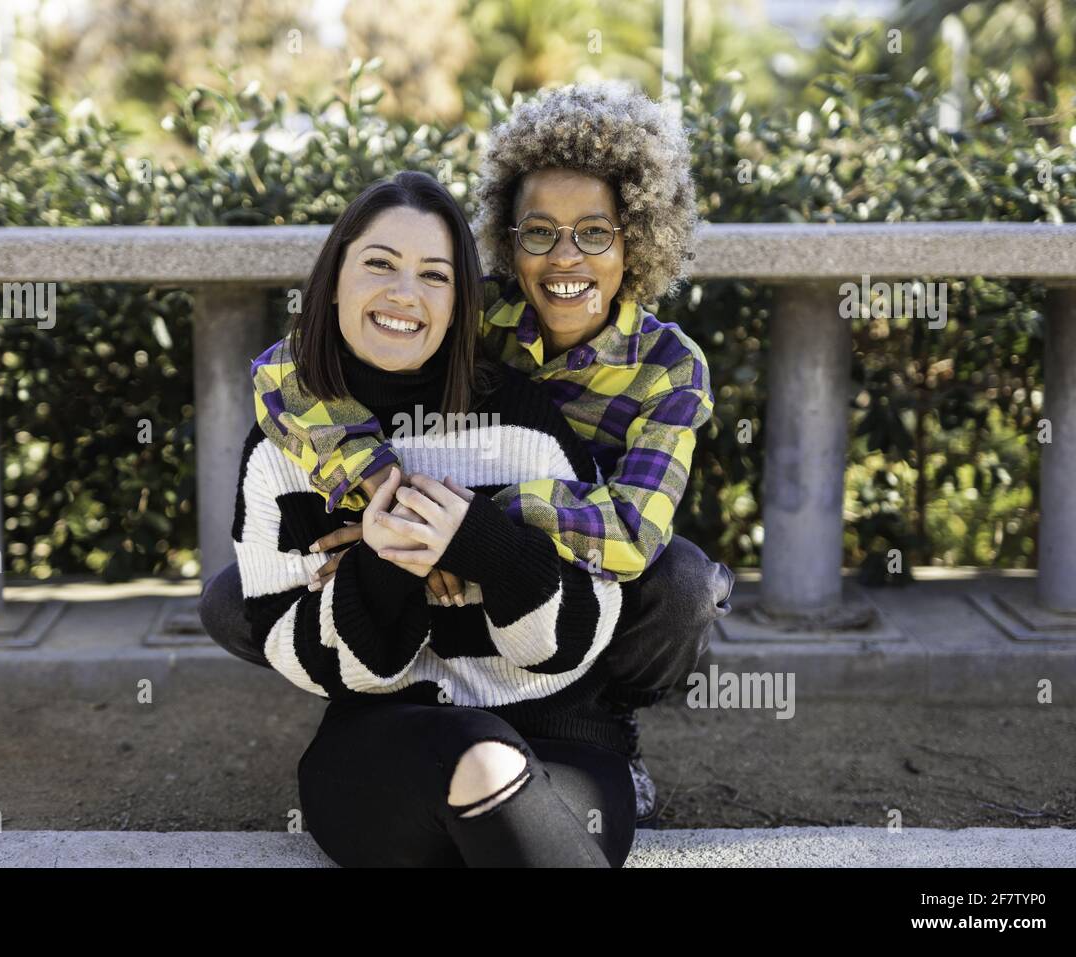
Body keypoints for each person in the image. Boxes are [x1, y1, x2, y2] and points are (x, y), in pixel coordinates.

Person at [240, 83, 735, 825]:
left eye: (594, 233)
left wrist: (474, 525)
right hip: (443, 579)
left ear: (637, 237)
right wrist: (387, 491)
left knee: (689, 586)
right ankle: (402, 701)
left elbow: (632, 533)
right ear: (510, 237)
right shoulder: (485, 315)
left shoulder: (670, 364)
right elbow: (284, 372)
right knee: (230, 598)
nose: (564, 257)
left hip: (587, 571)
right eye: (539, 232)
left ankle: (602, 721)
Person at [202, 170, 645, 866]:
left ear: (458, 300)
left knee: (511, 791)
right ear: (336, 278)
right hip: (388, 736)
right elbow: (294, 648)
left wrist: (484, 543)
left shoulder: (525, 418)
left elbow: (583, 628)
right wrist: (386, 562)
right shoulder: (285, 446)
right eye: (379, 264)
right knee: (479, 762)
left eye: (434, 275)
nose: (405, 294)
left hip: (559, 734)